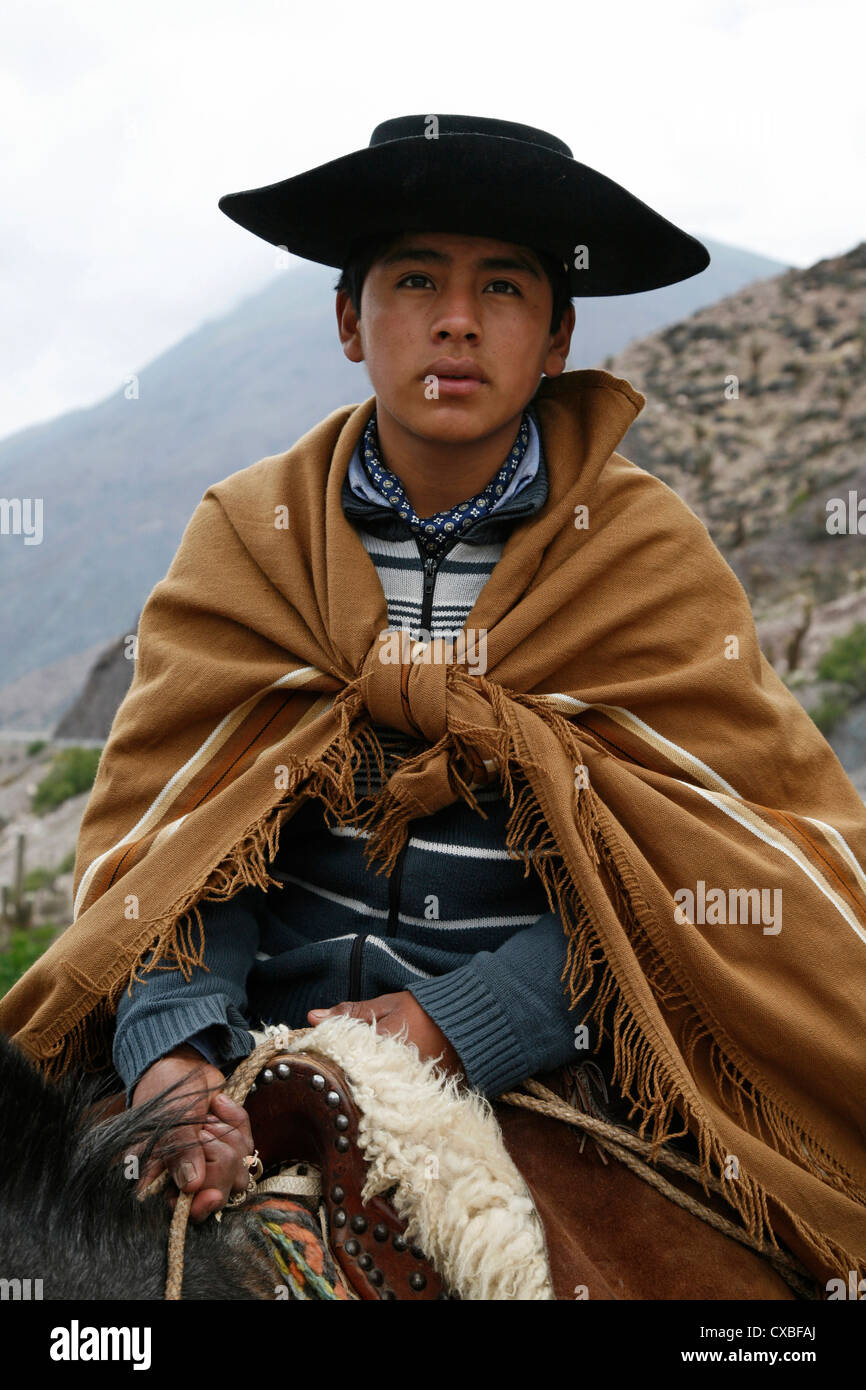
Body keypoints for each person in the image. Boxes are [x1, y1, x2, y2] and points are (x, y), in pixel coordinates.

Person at [3, 116, 864, 1288]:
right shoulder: (246, 541)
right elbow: (172, 853)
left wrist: (453, 1023)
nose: (456, 319)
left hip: (548, 1058)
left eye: (503, 285)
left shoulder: (638, 557)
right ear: (351, 319)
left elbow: (701, 877)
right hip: (246, 1034)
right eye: (414, 279)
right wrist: (174, 1056)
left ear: (554, 334)